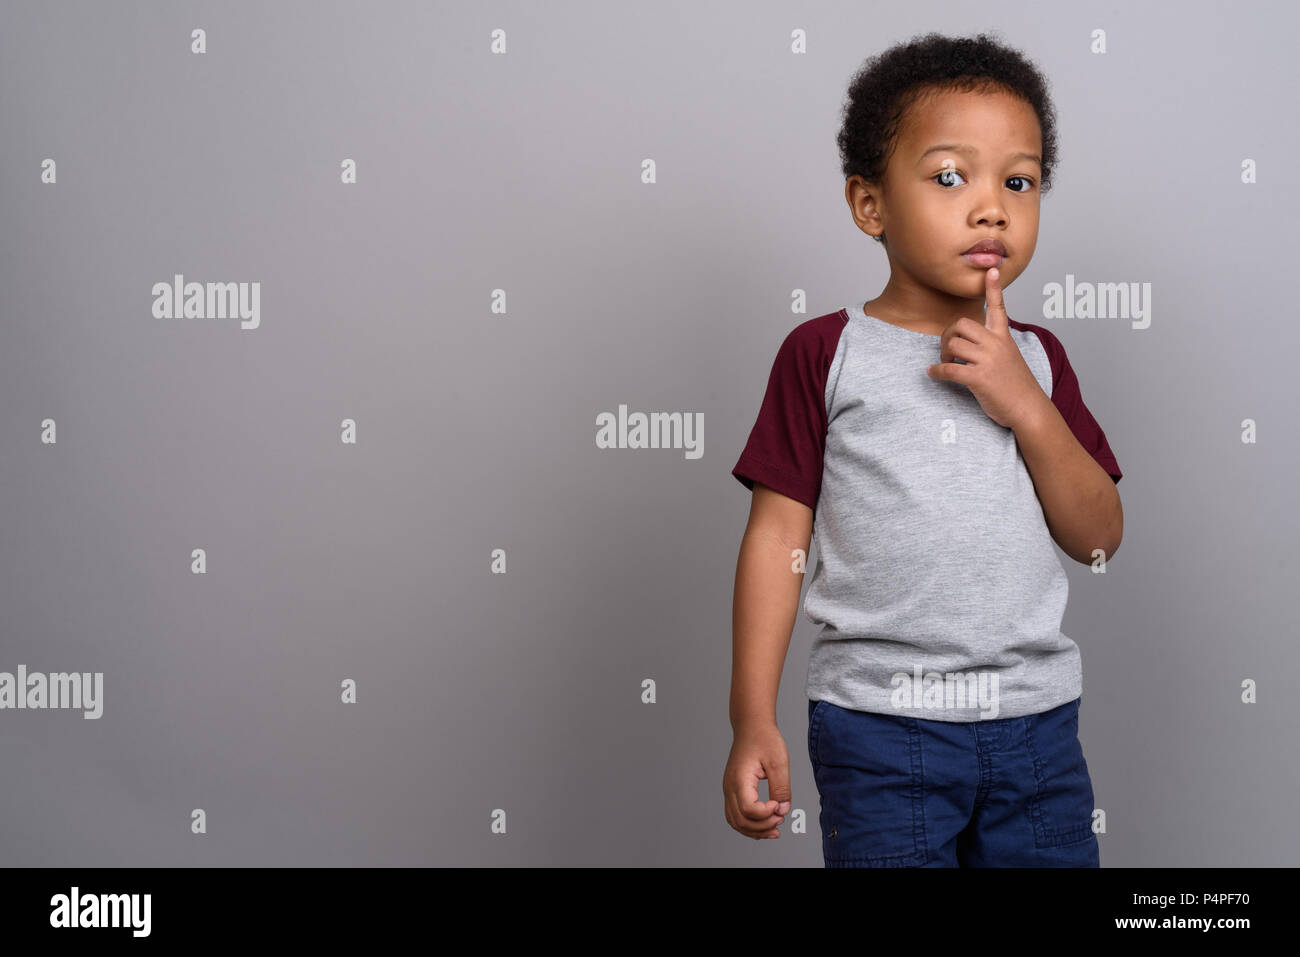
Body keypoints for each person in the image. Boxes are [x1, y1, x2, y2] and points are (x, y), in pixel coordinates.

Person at [722, 31, 1124, 867]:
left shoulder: (1040, 359)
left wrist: (1026, 405)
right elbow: (776, 541)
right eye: (950, 177)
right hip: (881, 729)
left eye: (1020, 180)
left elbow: (1098, 540)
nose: (992, 207)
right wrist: (750, 715)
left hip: (1035, 728)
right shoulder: (826, 353)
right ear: (870, 205)